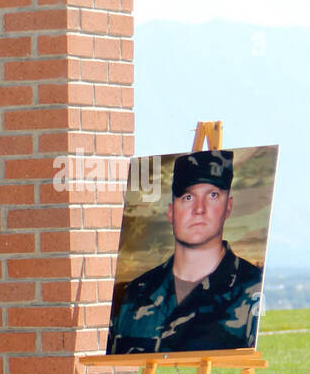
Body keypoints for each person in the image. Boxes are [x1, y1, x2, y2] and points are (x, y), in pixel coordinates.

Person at [107, 150, 262, 355]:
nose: (199, 209)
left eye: (213, 195)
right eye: (188, 197)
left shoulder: (251, 290)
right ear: (171, 211)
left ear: (228, 207)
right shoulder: (130, 296)